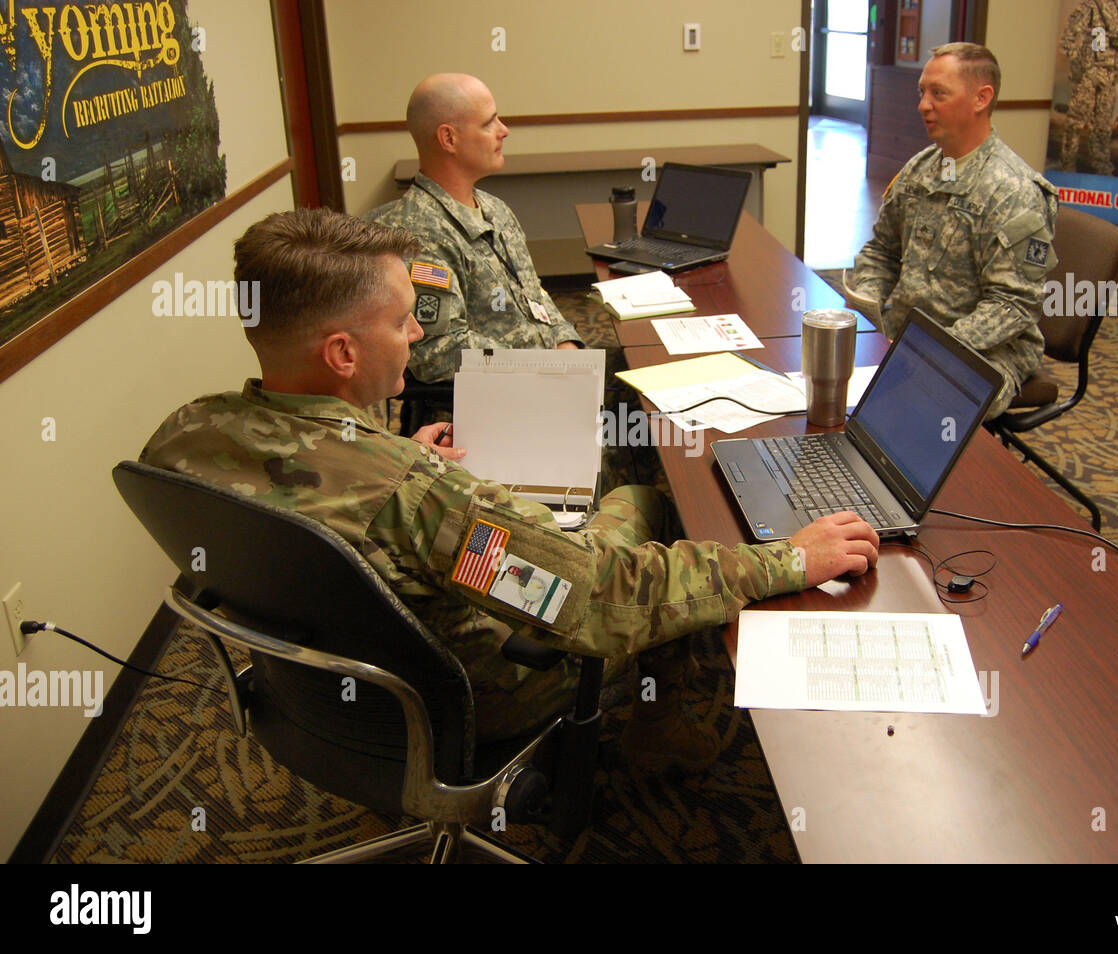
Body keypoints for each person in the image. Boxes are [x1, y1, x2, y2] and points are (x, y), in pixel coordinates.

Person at [141, 208, 880, 772]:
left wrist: (385, 454)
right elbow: (595, 601)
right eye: (401, 322)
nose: (418, 337)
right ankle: (658, 732)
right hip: (474, 693)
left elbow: (312, 497)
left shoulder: (182, 434)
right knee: (644, 506)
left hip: (313, 686)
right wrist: (792, 558)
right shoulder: (417, 496)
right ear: (342, 353)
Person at [847, 43, 1058, 418]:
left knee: (907, 413)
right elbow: (882, 252)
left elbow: (1014, 305)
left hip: (986, 352)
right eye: (922, 92)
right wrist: (868, 312)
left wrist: (926, 350)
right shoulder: (920, 169)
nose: (923, 105)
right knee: (829, 379)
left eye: (938, 93)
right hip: (905, 336)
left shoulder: (1015, 191)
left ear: (981, 98)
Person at [364, 73, 582, 385]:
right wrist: (542, 367)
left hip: (547, 376)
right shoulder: (419, 234)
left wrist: (565, 342)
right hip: (500, 392)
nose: (504, 131)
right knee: (632, 407)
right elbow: (438, 351)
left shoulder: (495, 209)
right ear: (449, 139)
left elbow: (534, 295)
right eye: (489, 123)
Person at [1058, 0, 1118, 175]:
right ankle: (1068, 163)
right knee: (1076, 121)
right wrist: (1080, 62)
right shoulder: (1090, 7)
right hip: (1089, 74)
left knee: (1103, 123)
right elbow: (1068, 38)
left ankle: (1101, 164)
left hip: (1110, 74)